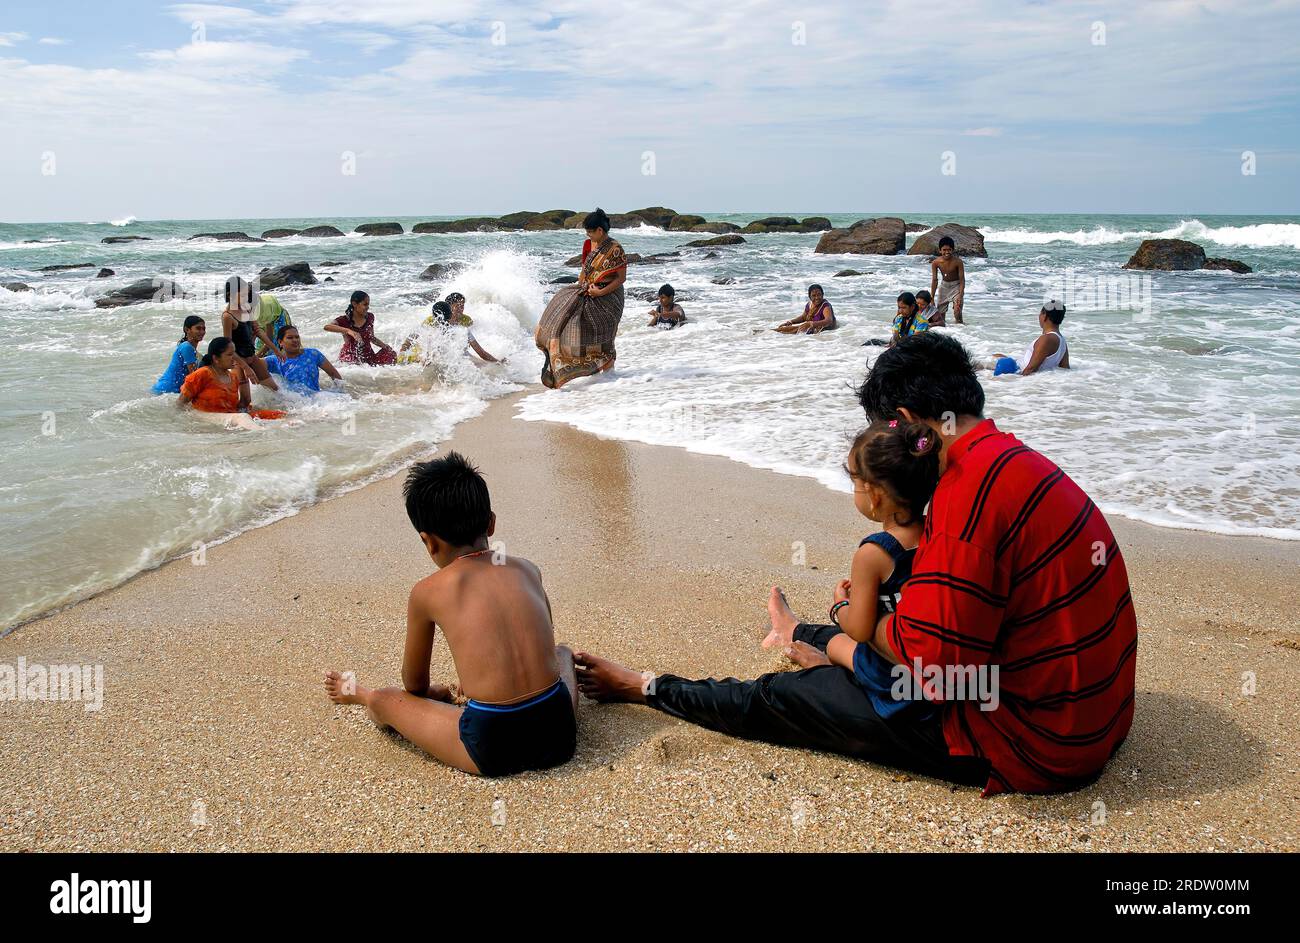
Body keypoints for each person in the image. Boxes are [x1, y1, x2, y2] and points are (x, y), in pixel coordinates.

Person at [573, 332, 1136, 796]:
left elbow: (933, 664)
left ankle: (646, 687)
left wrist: (853, 628)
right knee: (855, 628)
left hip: (1035, 743)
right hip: (1093, 713)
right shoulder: (1011, 459)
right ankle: (799, 635)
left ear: (910, 423)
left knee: (781, 699)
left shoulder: (968, 496)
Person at [323, 452, 578, 777]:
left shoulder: (427, 592)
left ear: (428, 542)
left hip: (491, 745)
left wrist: (435, 694)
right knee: (562, 653)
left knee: (388, 699)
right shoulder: (529, 569)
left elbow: (414, 684)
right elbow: (540, 648)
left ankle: (359, 694)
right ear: (491, 522)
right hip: (558, 734)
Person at [767, 420, 941, 727]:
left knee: (838, 643)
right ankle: (791, 629)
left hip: (895, 681)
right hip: (935, 673)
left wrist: (839, 605)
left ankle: (826, 666)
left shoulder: (874, 553)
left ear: (874, 496)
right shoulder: (939, 531)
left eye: (856, 484)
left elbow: (860, 630)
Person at [533, 208, 627, 388]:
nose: (588, 235)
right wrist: (580, 286)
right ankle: (557, 364)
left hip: (609, 298)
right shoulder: (588, 244)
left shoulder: (615, 249)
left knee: (604, 336)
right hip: (587, 290)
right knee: (561, 314)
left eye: (590, 232)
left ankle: (608, 377)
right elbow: (584, 269)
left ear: (600, 230)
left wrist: (600, 292)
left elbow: (621, 278)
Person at [177, 337, 286, 420]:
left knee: (281, 416)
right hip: (208, 417)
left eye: (234, 353)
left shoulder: (233, 377)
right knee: (243, 419)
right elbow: (180, 404)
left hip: (231, 416)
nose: (234, 358)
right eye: (229, 355)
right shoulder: (202, 374)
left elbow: (239, 406)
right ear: (216, 358)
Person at [399, 299, 504, 364]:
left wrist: (400, 357)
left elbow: (405, 345)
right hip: (454, 366)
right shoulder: (462, 331)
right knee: (483, 366)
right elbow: (482, 353)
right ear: (450, 313)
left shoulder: (424, 328)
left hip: (424, 365)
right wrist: (498, 362)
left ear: (433, 314)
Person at [222, 276, 282, 391]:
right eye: (243, 296)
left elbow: (258, 331)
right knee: (245, 399)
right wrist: (245, 367)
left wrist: (276, 350)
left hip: (252, 356)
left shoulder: (247, 308)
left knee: (275, 390)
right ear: (230, 295)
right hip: (238, 360)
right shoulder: (227, 317)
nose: (246, 299)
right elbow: (227, 347)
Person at [990, 300, 1070, 376]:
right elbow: (1064, 369)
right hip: (1017, 366)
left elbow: (1031, 369)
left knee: (985, 363)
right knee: (997, 356)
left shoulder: (1047, 339)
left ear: (1044, 315)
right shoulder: (1062, 342)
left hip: (1016, 371)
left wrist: (1015, 384)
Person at [264, 325, 344, 393]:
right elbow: (255, 364)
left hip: (316, 400)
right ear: (280, 342)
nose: (295, 340)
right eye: (290, 338)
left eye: (297, 337)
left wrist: (340, 392)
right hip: (293, 404)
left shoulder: (313, 354)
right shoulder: (274, 360)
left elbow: (334, 374)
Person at [325, 290, 396, 365]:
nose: (367, 307)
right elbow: (327, 327)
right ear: (354, 304)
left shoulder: (370, 317)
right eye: (365, 304)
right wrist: (349, 331)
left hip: (368, 356)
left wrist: (385, 346)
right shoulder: (344, 320)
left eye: (368, 305)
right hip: (350, 358)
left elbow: (372, 338)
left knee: (391, 354)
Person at [151, 315, 206, 394]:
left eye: (204, 329)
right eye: (198, 328)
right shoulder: (187, 347)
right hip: (166, 391)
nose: (202, 332)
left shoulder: (190, 349)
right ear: (187, 329)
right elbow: (194, 376)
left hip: (168, 391)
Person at [929, 236, 965, 324]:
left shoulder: (958, 262)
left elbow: (962, 280)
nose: (946, 252)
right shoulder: (936, 262)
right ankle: (945, 332)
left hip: (956, 286)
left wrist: (960, 295)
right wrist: (932, 298)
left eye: (949, 249)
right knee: (941, 315)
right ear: (940, 250)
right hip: (944, 287)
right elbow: (934, 280)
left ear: (952, 250)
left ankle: (961, 329)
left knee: (957, 309)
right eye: (944, 250)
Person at [252, 294, 292, 358]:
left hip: (278, 317)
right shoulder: (243, 311)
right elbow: (252, 335)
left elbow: (269, 339)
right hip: (262, 316)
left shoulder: (266, 313)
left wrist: (258, 356)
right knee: (258, 346)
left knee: (281, 345)